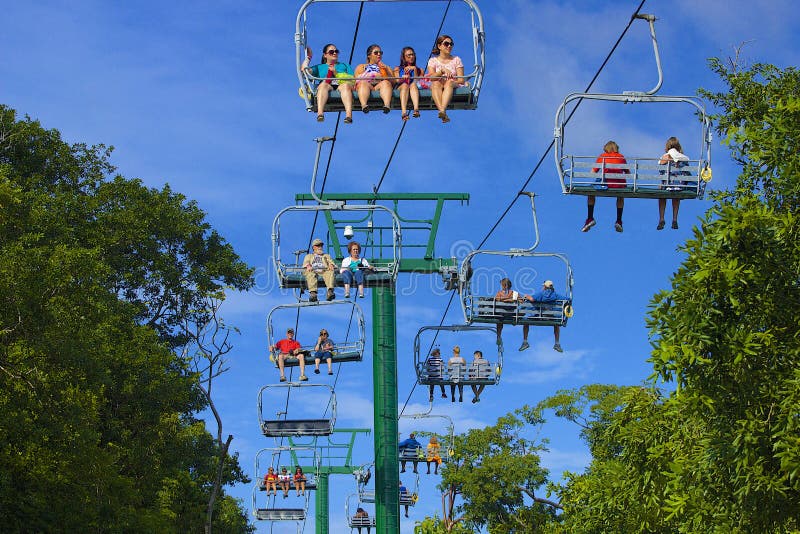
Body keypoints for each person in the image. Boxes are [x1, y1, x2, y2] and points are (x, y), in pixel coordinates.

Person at [582, 140, 629, 233]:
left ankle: (590, 218)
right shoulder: (621, 157)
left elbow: (593, 172)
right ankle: (619, 220)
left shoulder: (602, 156)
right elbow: (628, 173)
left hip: (606, 184)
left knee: (591, 193)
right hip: (619, 185)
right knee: (621, 196)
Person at [301, 44, 355, 123]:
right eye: (331, 52)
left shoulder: (344, 65)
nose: (334, 53)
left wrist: (335, 73)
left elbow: (352, 79)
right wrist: (308, 58)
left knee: (346, 86)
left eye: (336, 51)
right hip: (327, 85)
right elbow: (304, 72)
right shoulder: (320, 67)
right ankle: (320, 113)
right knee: (323, 85)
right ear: (325, 55)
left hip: (342, 85)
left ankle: (349, 115)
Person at [426, 35, 468, 124]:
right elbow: (431, 77)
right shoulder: (433, 61)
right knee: (436, 83)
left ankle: (442, 109)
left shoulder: (456, 60)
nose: (449, 46)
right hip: (438, 84)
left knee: (449, 82)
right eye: (446, 44)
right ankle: (442, 111)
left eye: (451, 44)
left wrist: (449, 81)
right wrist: (442, 71)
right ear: (439, 46)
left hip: (453, 83)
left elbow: (461, 80)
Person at [523, 280, 570, 353]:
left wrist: (527, 296)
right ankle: (557, 343)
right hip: (551, 317)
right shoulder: (555, 295)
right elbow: (567, 300)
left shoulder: (541, 294)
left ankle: (525, 341)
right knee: (556, 324)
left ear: (545, 287)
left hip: (539, 316)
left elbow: (532, 299)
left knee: (526, 321)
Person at [657, 136, 691, 230]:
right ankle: (675, 219)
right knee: (676, 197)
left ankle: (661, 218)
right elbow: (687, 173)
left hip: (666, 186)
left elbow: (660, 171)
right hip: (678, 186)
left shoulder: (664, 157)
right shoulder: (682, 158)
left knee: (661, 195)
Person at [354, 44, 394, 114]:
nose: (379, 54)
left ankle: (387, 105)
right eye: (376, 53)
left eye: (380, 53)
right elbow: (357, 79)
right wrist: (374, 76)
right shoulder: (362, 66)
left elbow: (393, 81)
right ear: (369, 55)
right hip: (367, 85)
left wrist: (386, 70)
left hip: (380, 86)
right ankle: (364, 105)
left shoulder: (386, 67)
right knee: (363, 83)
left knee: (386, 83)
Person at [494, 278, 531, 351]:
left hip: (503, 315)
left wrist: (504, 299)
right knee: (525, 318)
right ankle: (525, 340)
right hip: (513, 315)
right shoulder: (515, 293)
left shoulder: (499, 293)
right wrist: (511, 300)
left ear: (503, 285)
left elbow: (496, 300)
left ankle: (498, 336)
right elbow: (521, 301)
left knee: (499, 321)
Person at [394, 47, 423, 121]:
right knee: (405, 85)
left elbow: (418, 82)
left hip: (414, 87)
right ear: (404, 57)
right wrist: (403, 78)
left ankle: (416, 109)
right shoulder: (397, 69)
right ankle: (404, 112)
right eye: (408, 55)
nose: (411, 57)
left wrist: (415, 70)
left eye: (413, 55)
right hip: (402, 86)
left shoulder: (420, 70)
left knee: (413, 84)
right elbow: (397, 81)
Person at [303, 238, 337, 302]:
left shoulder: (326, 255)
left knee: (330, 272)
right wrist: (308, 266)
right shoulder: (309, 256)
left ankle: (330, 292)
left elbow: (331, 262)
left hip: (324, 271)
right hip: (313, 270)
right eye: (318, 246)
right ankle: (313, 293)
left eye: (321, 245)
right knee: (310, 274)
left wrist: (331, 265)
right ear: (314, 247)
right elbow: (306, 263)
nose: (320, 247)